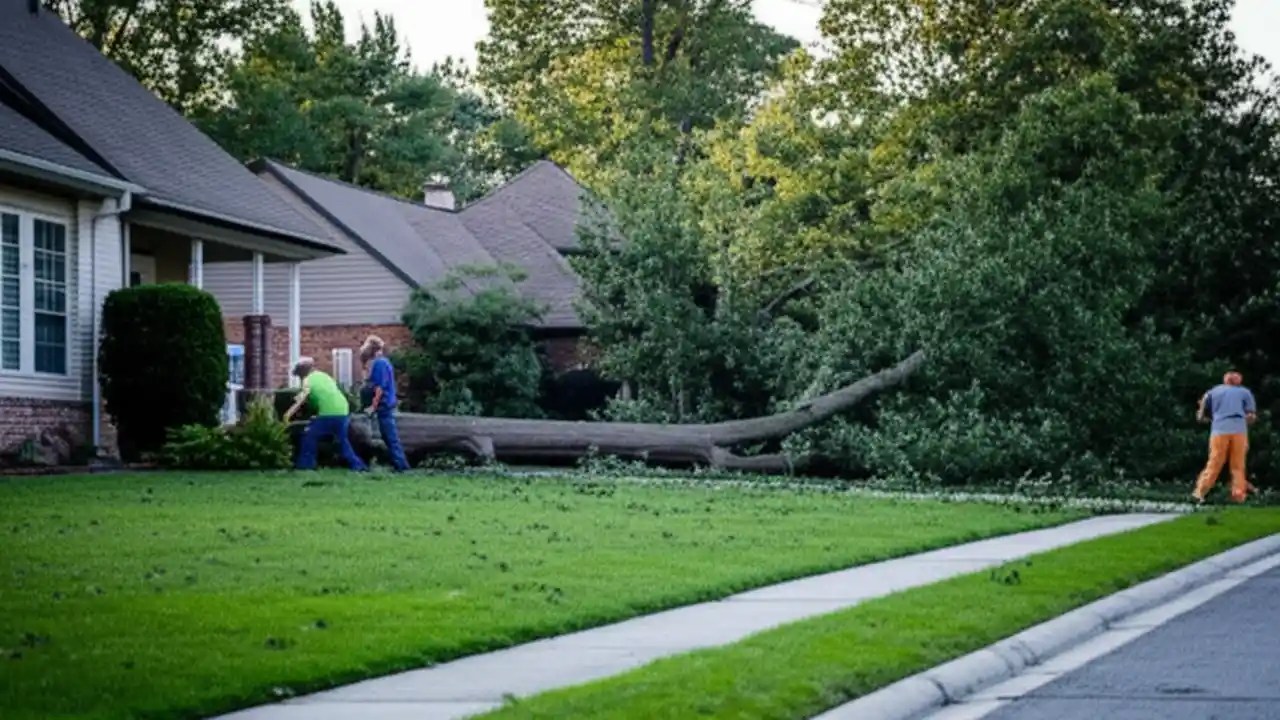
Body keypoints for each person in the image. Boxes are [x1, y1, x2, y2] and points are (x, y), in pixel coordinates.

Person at [284, 357, 367, 471]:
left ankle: (305, 465)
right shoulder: (324, 376)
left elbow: (302, 399)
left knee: (309, 436)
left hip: (328, 413)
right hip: (343, 410)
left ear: (302, 371)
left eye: (298, 375)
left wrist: (288, 414)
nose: (299, 378)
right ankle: (358, 466)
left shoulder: (307, 381)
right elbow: (326, 394)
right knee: (343, 441)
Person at [1192, 370, 1257, 504]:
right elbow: (1251, 415)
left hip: (1219, 429)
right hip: (1238, 430)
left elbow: (1204, 398)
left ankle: (1200, 492)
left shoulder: (1215, 391)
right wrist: (1249, 420)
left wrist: (1201, 414)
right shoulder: (1244, 392)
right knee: (1238, 464)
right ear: (1239, 381)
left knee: (1215, 461)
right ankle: (1238, 495)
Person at [361, 335, 410, 472]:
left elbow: (379, 388)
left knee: (390, 437)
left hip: (384, 406)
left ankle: (401, 466)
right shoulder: (385, 362)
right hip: (387, 404)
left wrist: (373, 406)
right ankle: (399, 465)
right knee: (388, 436)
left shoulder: (379, 363)